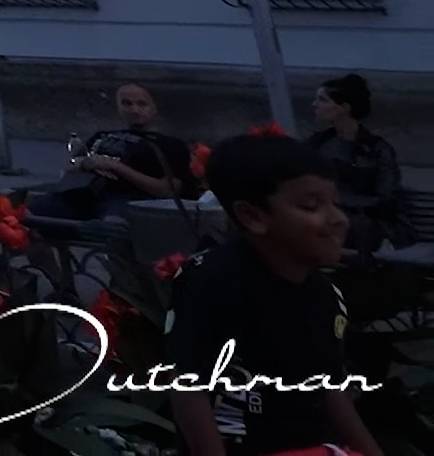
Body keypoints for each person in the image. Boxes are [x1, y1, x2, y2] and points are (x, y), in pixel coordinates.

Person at [163, 134, 376, 455]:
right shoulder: (211, 281)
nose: (338, 219)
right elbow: (189, 388)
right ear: (252, 216)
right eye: (312, 206)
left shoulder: (324, 294)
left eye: (336, 204)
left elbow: (332, 389)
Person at [40, 82, 197, 222]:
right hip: (84, 195)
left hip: (130, 201)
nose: (134, 110)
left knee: (113, 224)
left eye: (142, 104)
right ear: (119, 108)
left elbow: (168, 190)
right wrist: (86, 163)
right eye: (127, 104)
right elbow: (71, 166)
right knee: (34, 210)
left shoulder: (170, 145)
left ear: (154, 108)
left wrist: (116, 167)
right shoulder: (102, 136)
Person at [308, 73, 410, 258]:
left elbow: (386, 198)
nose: (315, 104)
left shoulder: (376, 149)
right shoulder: (317, 143)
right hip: (329, 218)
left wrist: (340, 201)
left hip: (368, 223)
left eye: (322, 100)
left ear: (344, 108)